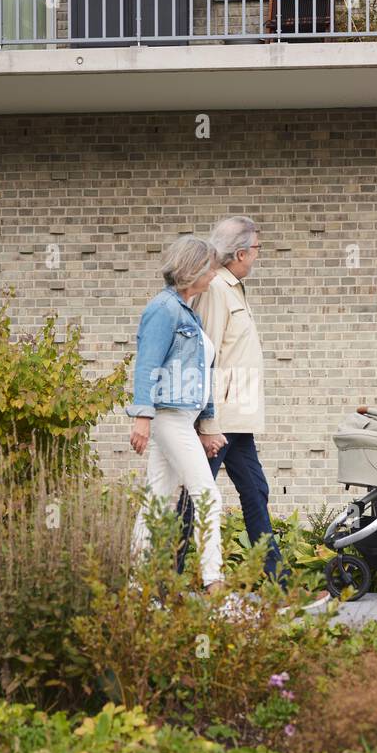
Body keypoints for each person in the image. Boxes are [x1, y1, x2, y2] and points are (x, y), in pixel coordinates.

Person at [190, 215, 288, 586]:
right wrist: (208, 424)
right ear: (241, 253)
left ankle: (277, 582)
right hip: (220, 420)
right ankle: (168, 580)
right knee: (196, 499)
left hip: (237, 420)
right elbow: (207, 356)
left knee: (255, 492)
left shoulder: (233, 288)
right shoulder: (216, 291)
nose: (259, 256)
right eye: (258, 249)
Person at [127, 236, 225, 594]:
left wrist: (206, 425)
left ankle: (137, 589)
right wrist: (142, 416)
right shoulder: (163, 309)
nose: (214, 275)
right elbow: (147, 364)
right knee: (209, 496)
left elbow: (204, 375)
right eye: (210, 268)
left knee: (154, 502)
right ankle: (214, 583)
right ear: (193, 268)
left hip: (184, 419)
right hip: (168, 416)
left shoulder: (190, 314)